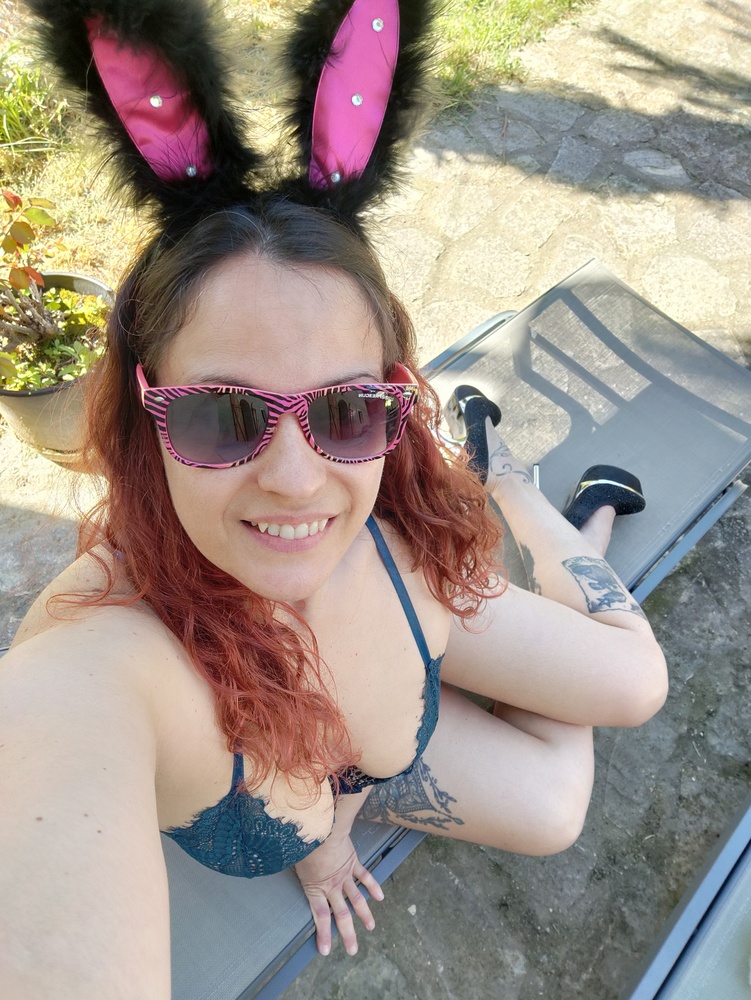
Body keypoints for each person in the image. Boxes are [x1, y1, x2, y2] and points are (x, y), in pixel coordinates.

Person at [1, 2, 668, 995]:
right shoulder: (99, 665)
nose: (296, 477)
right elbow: (53, 750)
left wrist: (344, 797)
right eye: (223, 415)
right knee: (550, 806)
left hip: (417, 604)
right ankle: (548, 533)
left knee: (635, 688)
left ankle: (505, 483)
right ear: (146, 411)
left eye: (347, 411)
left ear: (393, 401)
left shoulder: (396, 555)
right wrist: (320, 843)